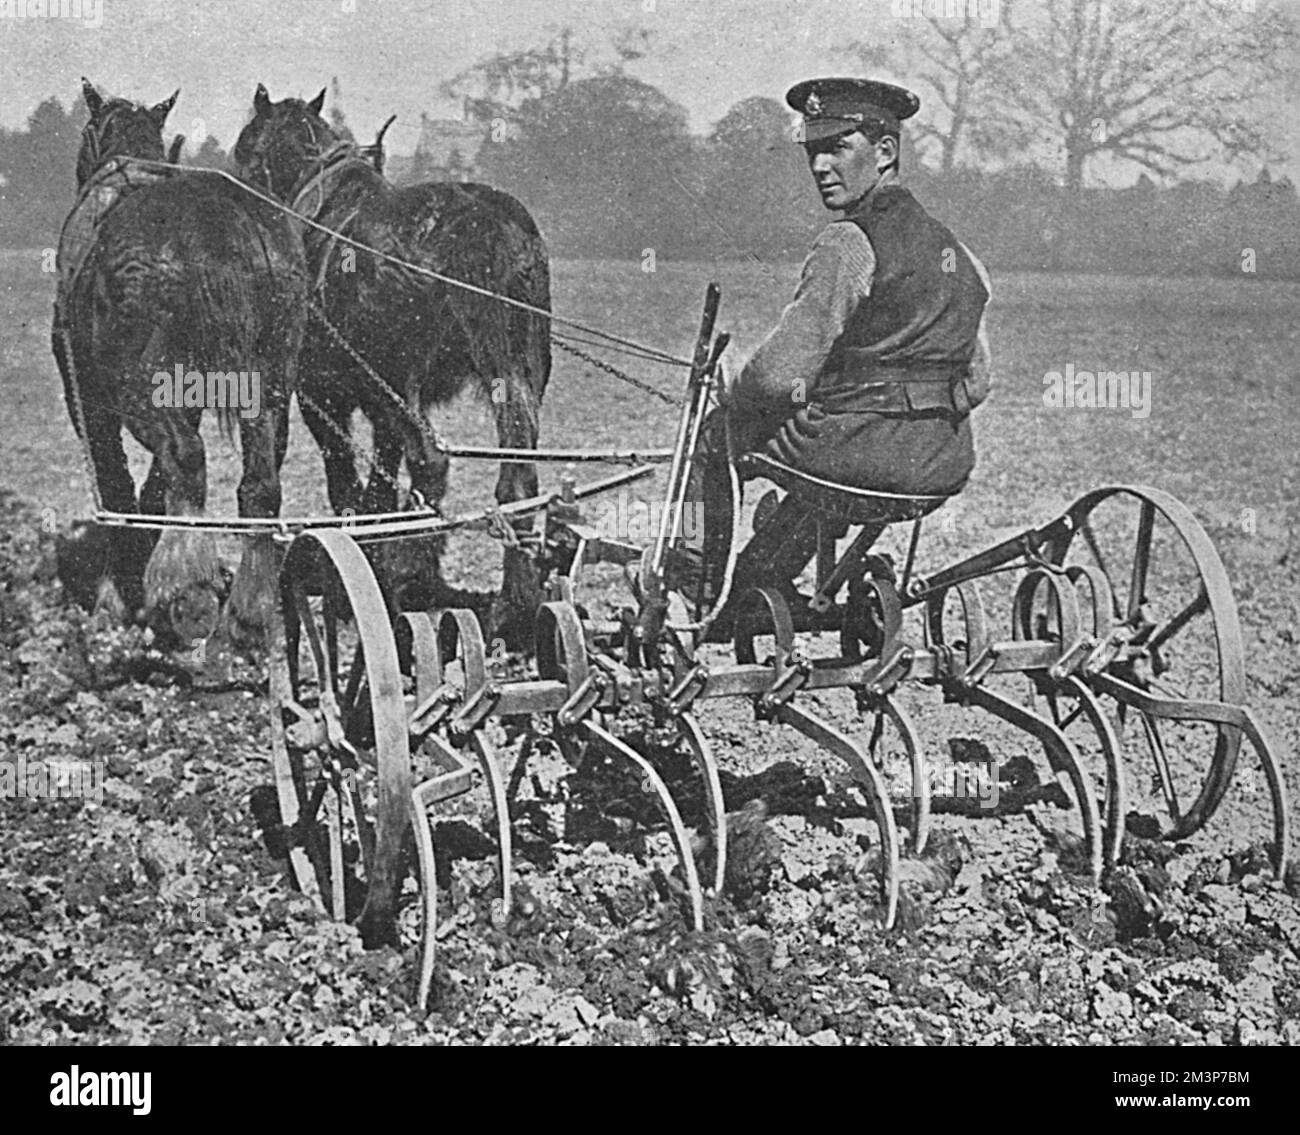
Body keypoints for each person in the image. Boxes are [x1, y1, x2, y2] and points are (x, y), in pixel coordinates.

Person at [676, 76, 993, 614]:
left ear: (886, 151)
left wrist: (735, 397)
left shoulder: (848, 243)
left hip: (854, 458)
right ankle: (763, 580)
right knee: (825, 451)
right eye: (814, 151)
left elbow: (776, 379)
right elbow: (979, 382)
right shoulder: (960, 254)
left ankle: (696, 591)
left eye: (837, 147)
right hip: (941, 465)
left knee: (720, 432)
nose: (820, 166)